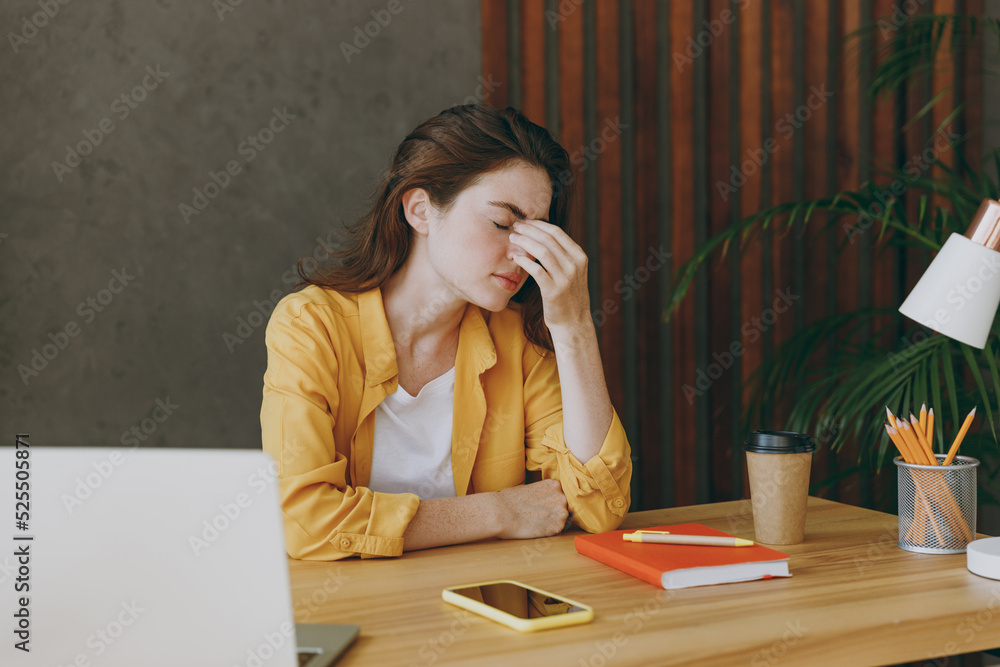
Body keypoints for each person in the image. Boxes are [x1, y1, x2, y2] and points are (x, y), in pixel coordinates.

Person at [261, 104, 631, 560]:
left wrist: (573, 326)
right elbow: (302, 522)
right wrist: (497, 513)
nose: (522, 255)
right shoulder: (311, 326)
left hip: (485, 611)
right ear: (420, 211)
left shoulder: (518, 343)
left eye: (536, 232)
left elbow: (598, 506)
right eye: (502, 223)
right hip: (354, 614)